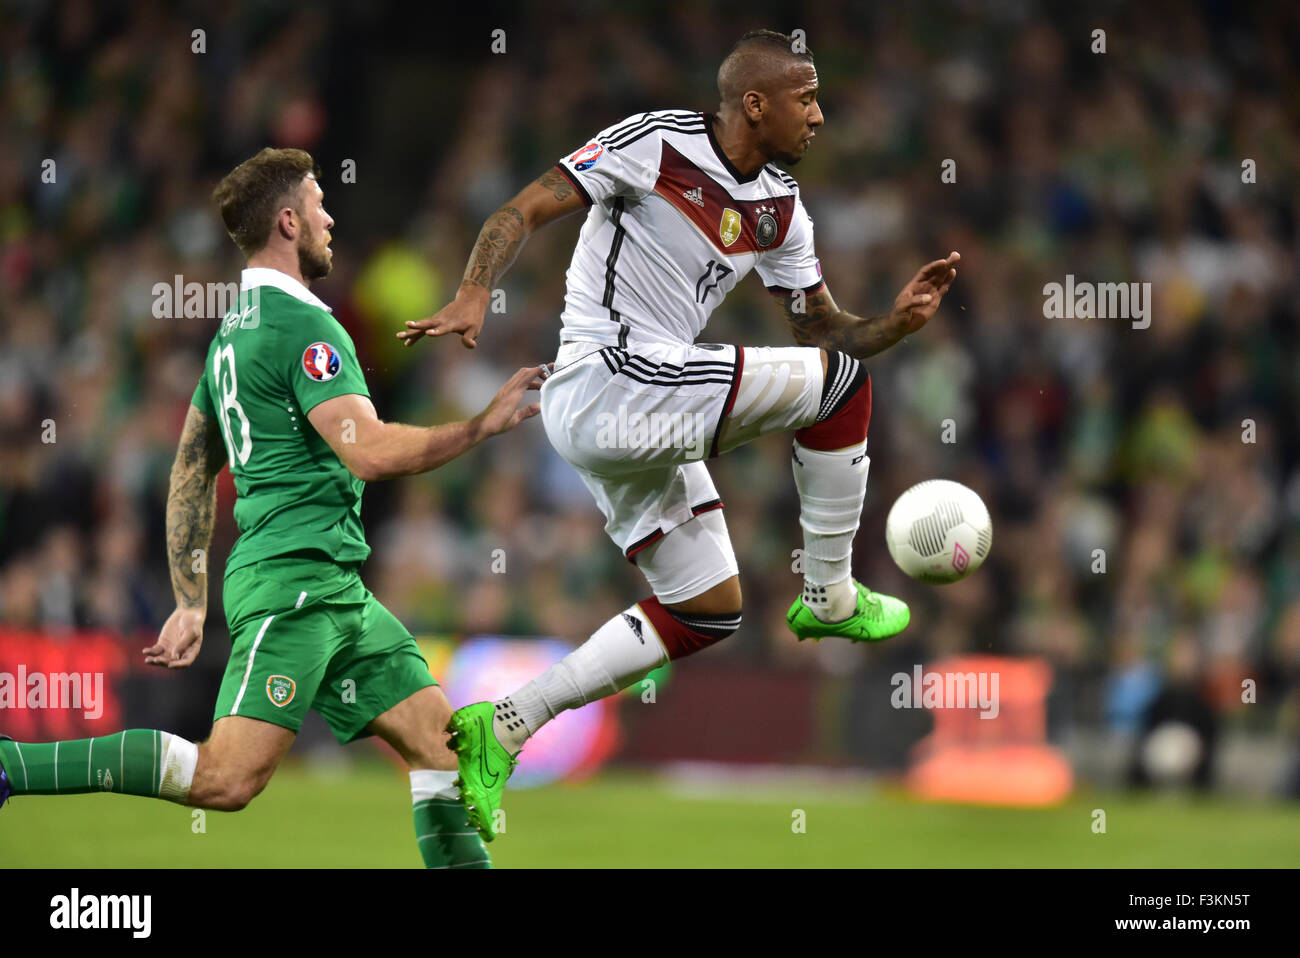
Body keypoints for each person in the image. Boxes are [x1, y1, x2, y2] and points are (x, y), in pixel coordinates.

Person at [400, 30, 959, 841]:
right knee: (843, 394)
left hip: (641, 409)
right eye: (805, 98)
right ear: (755, 103)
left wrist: (894, 323)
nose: (820, 114)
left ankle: (505, 725)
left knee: (707, 610)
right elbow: (521, 207)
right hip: (607, 377)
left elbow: (821, 332)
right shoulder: (655, 143)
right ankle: (828, 597)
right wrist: (474, 290)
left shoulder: (781, 207)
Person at [0, 147, 544, 869]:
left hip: (334, 588)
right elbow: (370, 452)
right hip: (295, 585)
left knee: (444, 747)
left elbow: (192, 464)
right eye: (320, 204)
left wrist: (192, 599)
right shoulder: (303, 329)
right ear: (288, 222)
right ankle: (13, 767)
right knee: (227, 777)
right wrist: (480, 425)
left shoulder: (233, 334)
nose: (331, 216)